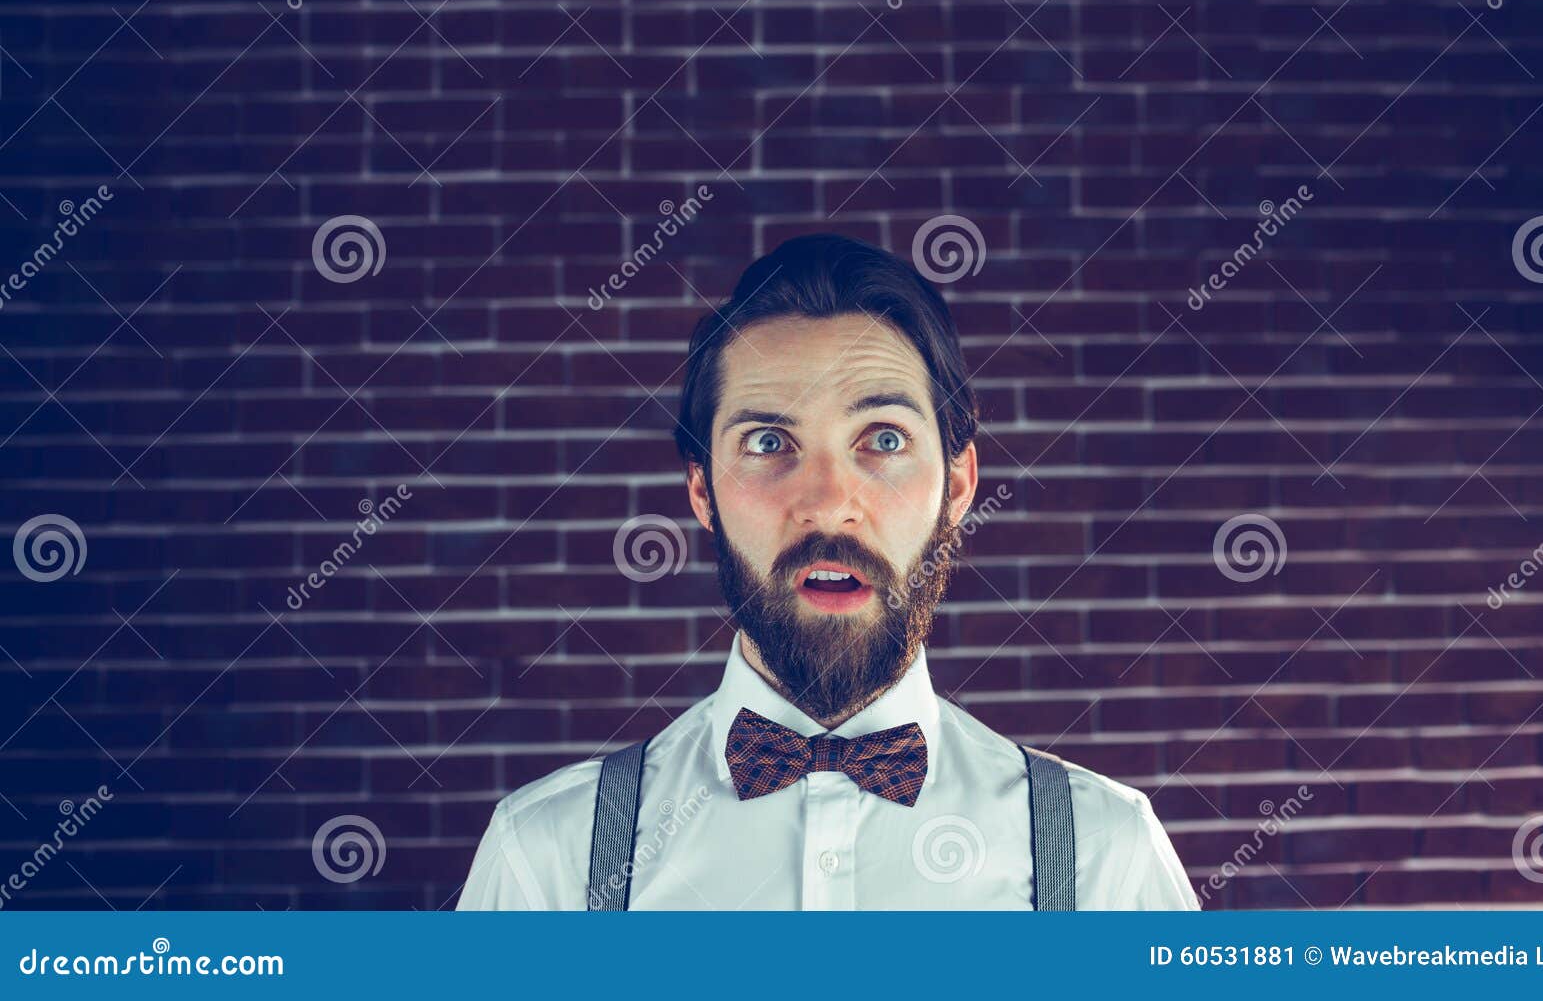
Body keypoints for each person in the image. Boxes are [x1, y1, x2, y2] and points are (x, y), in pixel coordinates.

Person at [457, 233, 1198, 910]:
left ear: (961, 484)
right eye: (769, 439)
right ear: (700, 492)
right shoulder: (546, 857)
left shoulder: (1107, 855)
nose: (828, 505)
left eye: (882, 437)